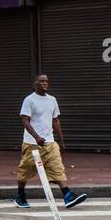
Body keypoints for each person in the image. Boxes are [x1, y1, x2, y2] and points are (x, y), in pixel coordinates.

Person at [14, 73, 86, 209]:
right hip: (32, 143)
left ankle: (67, 195)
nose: (45, 84)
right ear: (35, 83)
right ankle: (20, 195)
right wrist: (36, 137)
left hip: (50, 142)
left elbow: (55, 120)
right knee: (25, 171)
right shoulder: (29, 100)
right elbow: (25, 120)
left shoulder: (52, 100)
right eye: (42, 81)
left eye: (46, 81)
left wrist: (61, 140)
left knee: (57, 168)